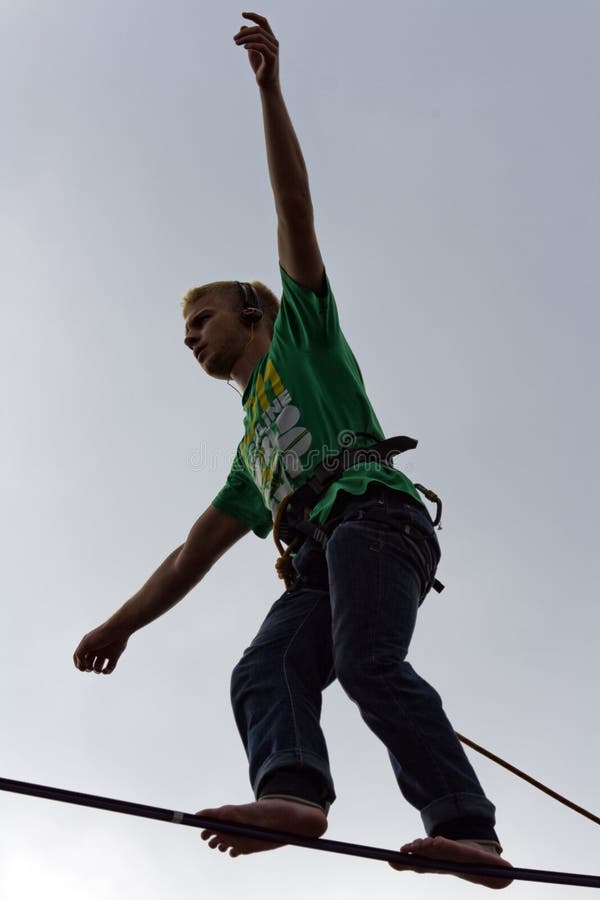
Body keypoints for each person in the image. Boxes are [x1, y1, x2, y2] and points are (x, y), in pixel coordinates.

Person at [73, 12, 512, 889]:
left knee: (366, 664)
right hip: (321, 553)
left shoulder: (304, 340)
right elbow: (186, 556)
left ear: (254, 310)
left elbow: (293, 209)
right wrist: (122, 622)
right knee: (265, 665)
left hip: (379, 524)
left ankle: (470, 830)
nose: (191, 337)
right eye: (185, 330)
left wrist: (271, 94)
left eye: (202, 319)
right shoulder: (251, 455)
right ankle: (296, 795)